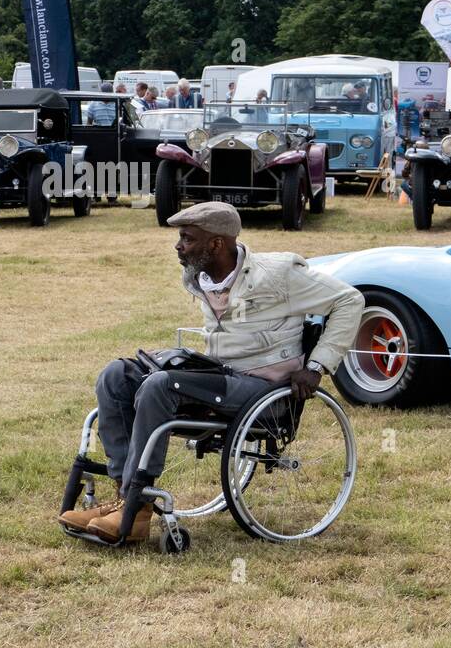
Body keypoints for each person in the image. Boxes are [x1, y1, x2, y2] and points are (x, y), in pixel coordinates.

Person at [58, 202, 363, 544]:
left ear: (217, 244)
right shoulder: (197, 276)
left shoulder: (278, 274)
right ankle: (124, 498)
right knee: (116, 375)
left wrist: (317, 367)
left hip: (263, 390)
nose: (178, 246)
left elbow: (349, 301)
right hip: (220, 377)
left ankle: (136, 504)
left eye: (187, 239)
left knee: (161, 385)